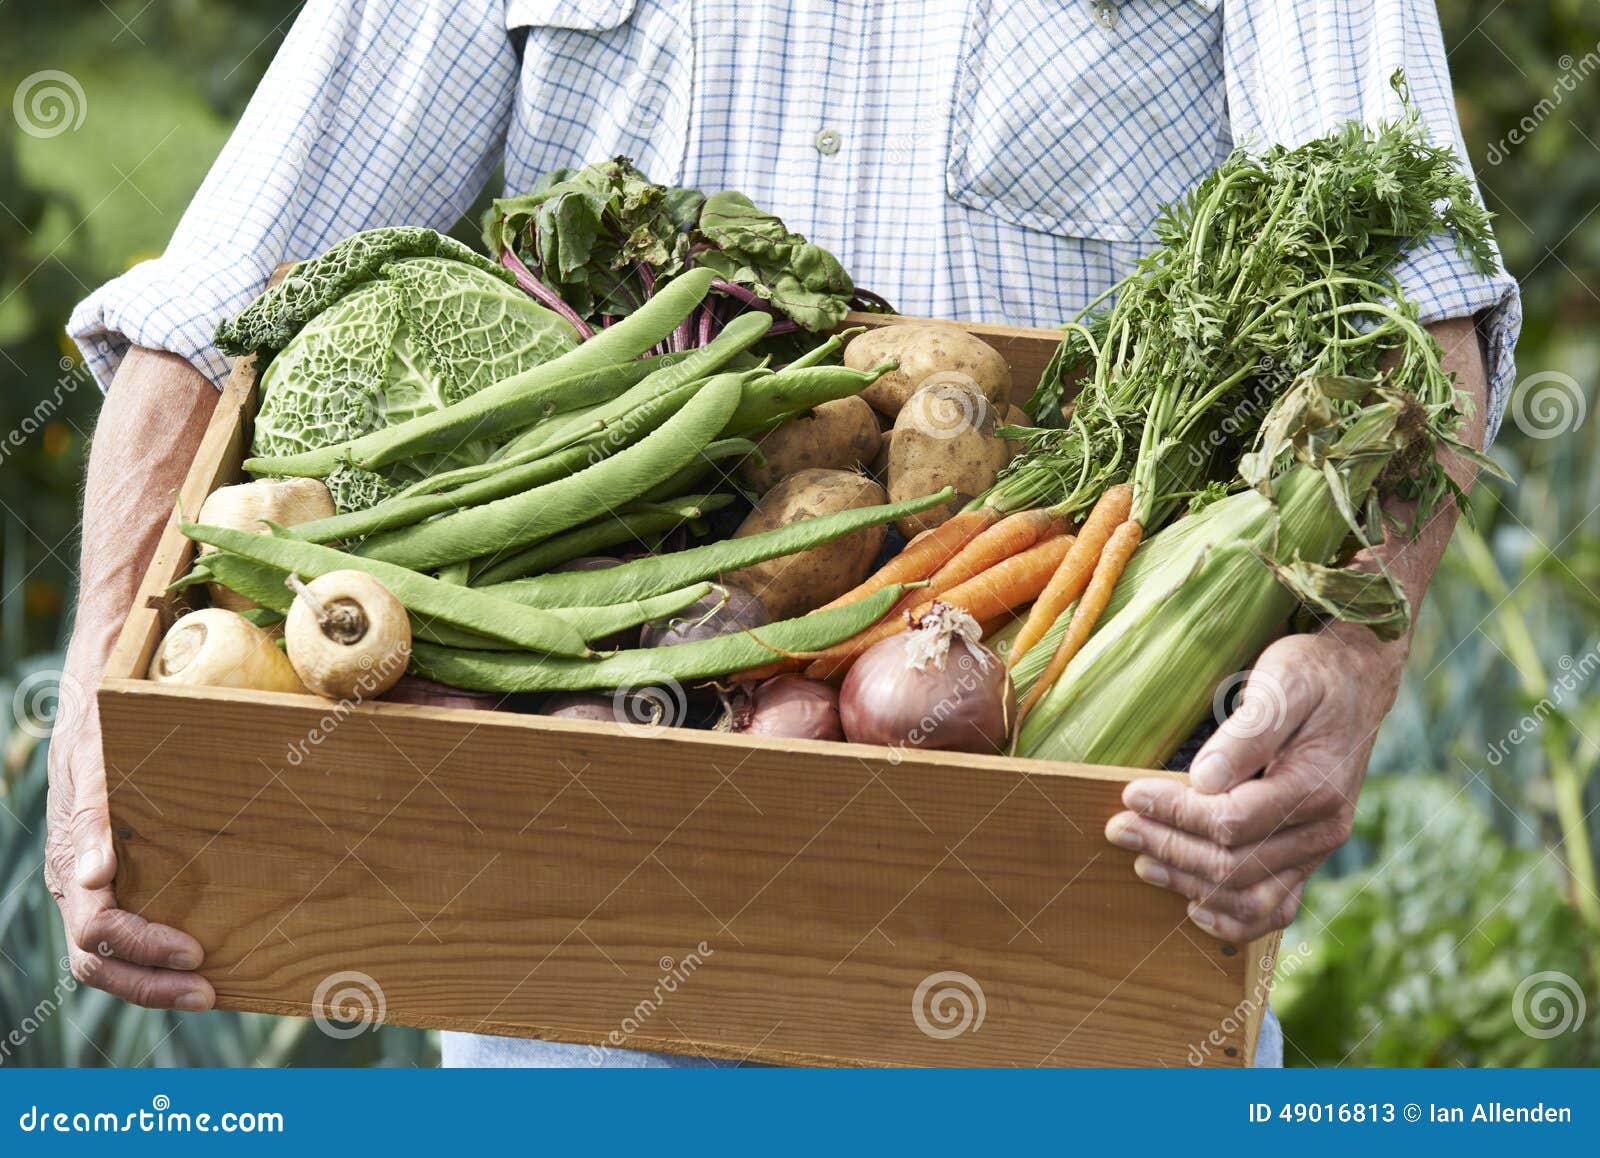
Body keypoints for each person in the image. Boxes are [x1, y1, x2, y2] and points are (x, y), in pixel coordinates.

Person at [52, 0, 1519, 1068]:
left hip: (1075, 947)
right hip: (571, 981)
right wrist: (96, 729)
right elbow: (206, 317)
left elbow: (1416, 314)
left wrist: (1350, 647)